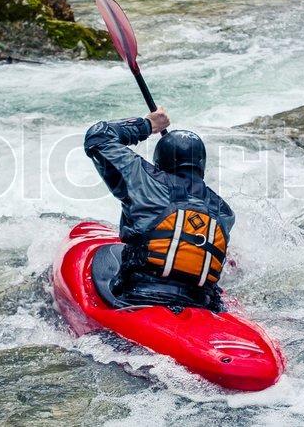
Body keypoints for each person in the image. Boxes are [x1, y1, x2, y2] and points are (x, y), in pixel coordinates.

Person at [84, 106, 235, 312]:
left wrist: (148, 125)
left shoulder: (143, 179)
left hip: (139, 297)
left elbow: (98, 137)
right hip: (201, 304)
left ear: (160, 160)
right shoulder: (224, 211)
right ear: (201, 164)